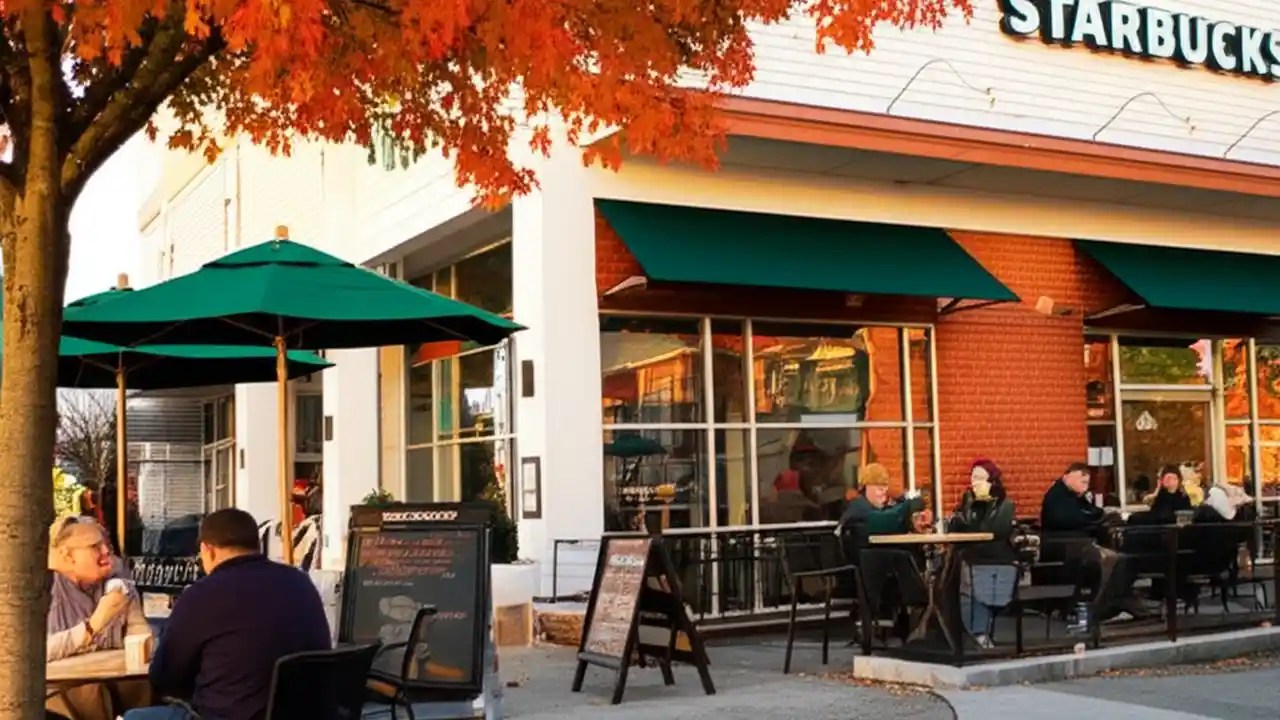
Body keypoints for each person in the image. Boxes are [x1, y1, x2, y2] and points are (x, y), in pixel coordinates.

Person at [124, 509, 332, 720]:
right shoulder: (300, 582)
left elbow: (165, 676)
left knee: (134, 717)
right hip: (308, 714)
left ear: (208, 550)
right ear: (257, 545)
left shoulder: (201, 595)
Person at [46, 517, 153, 720]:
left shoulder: (117, 577)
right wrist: (93, 626)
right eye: (95, 547)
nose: (106, 552)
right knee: (89, 690)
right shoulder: (44, 589)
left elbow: (140, 634)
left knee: (141, 684)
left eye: (107, 545)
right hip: (61, 690)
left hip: (114, 678)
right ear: (67, 556)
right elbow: (39, 651)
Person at [949, 459, 1016, 648]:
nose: (975, 481)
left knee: (980, 584)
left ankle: (979, 632)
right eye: (973, 476)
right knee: (956, 576)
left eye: (980, 477)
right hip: (970, 554)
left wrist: (981, 508)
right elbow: (957, 527)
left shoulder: (1004, 504)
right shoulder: (967, 500)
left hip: (995, 555)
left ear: (992, 481)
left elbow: (996, 530)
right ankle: (971, 632)